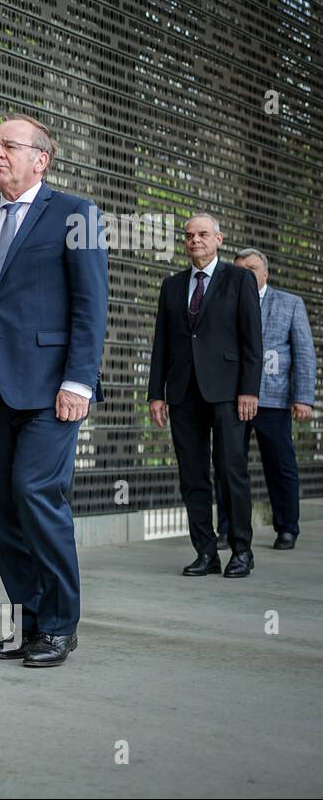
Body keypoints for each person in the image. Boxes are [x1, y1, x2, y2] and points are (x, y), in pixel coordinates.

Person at [0, 115, 107, 668]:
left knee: (36, 493)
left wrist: (79, 380)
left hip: (51, 390)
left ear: (41, 158)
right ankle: (27, 620)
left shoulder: (74, 213)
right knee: (3, 509)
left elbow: (91, 303)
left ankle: (61, 624)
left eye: (8, 145)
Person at [148, 216, 262, 578]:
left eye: (202, 234)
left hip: (228, 392)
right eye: (189, 236)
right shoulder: (172, 286)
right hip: (183, 393)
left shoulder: (239, 279)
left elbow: (252, 341)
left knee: (231, 470)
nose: (195, 240)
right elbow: (161, 345)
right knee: (192, 476)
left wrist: (249, 389)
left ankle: (241, 551)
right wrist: (156, 394)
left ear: (218, 239)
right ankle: (206, 552)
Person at [213, 248, 315, 551]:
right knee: (227, 465)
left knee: (280, 465)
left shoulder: (290, 304)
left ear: (265, 273)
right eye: (240, 269)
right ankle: (226, 530)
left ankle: (286, 528)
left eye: (253, 268)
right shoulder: (222, 304)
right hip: (231, 398)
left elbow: (305, 354)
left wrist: (304, 398)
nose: (246, 274)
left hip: (274, 399)